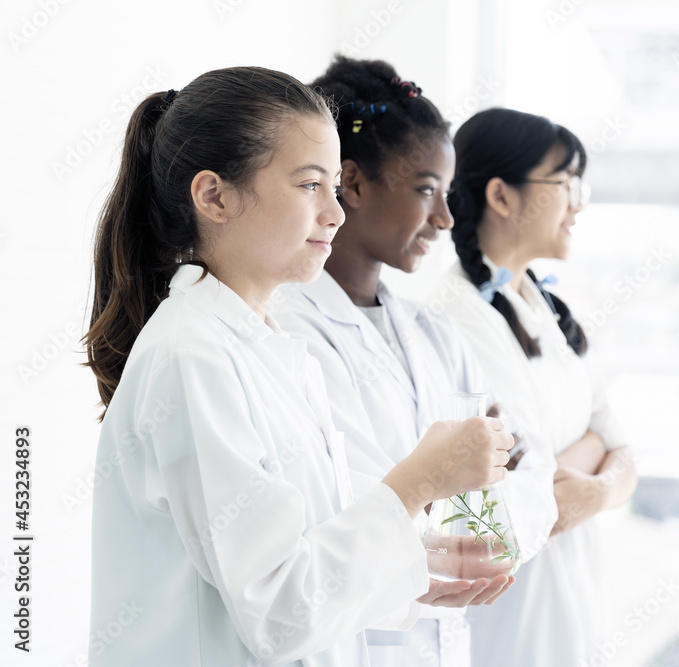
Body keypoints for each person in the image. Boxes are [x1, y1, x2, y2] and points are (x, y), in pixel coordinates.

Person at [83, 66, 514, 667]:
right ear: (214, 196)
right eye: (310, 185)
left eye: (335, 187)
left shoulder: (267, 345)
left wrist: (415, 573)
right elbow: (280, 612)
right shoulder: (192, 357)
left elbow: (308, 546)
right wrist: (422, 479)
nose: (335, 214)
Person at [272, 57, 557, 667]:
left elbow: (537, 481)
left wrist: (459, 507)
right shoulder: (288, 333)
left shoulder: (436, 336)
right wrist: (466, 482)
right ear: (350, 182)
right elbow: (345, 517)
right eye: (426, 189)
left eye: (448, 194)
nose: (446, 219)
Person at [438, 107, 638, 666]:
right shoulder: (455, 317)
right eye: (564, 183)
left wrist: (597, 487)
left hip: (574, 606)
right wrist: (593, 457)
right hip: (509, 621)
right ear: (502, 197)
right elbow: (529, 487)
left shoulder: (547, 305)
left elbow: (619, 443)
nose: (579, 202)